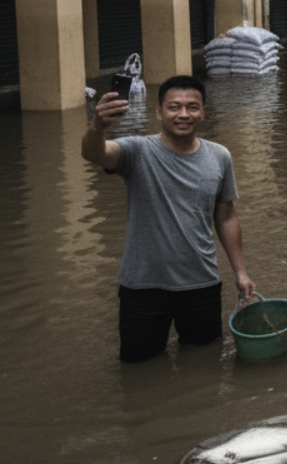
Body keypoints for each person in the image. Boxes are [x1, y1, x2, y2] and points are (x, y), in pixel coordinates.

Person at [80, 75, 255, 363]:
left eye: (192, 107)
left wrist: (241, 272)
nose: (184, 114)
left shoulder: (219, 156)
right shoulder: (137, 150)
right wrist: (98, 126)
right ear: (159, 111)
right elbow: (93, 153)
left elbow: (226, 217)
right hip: (143, 286)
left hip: (202, 283)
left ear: (203, 111)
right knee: (139, 368)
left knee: (205, 364)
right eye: (174, 107)